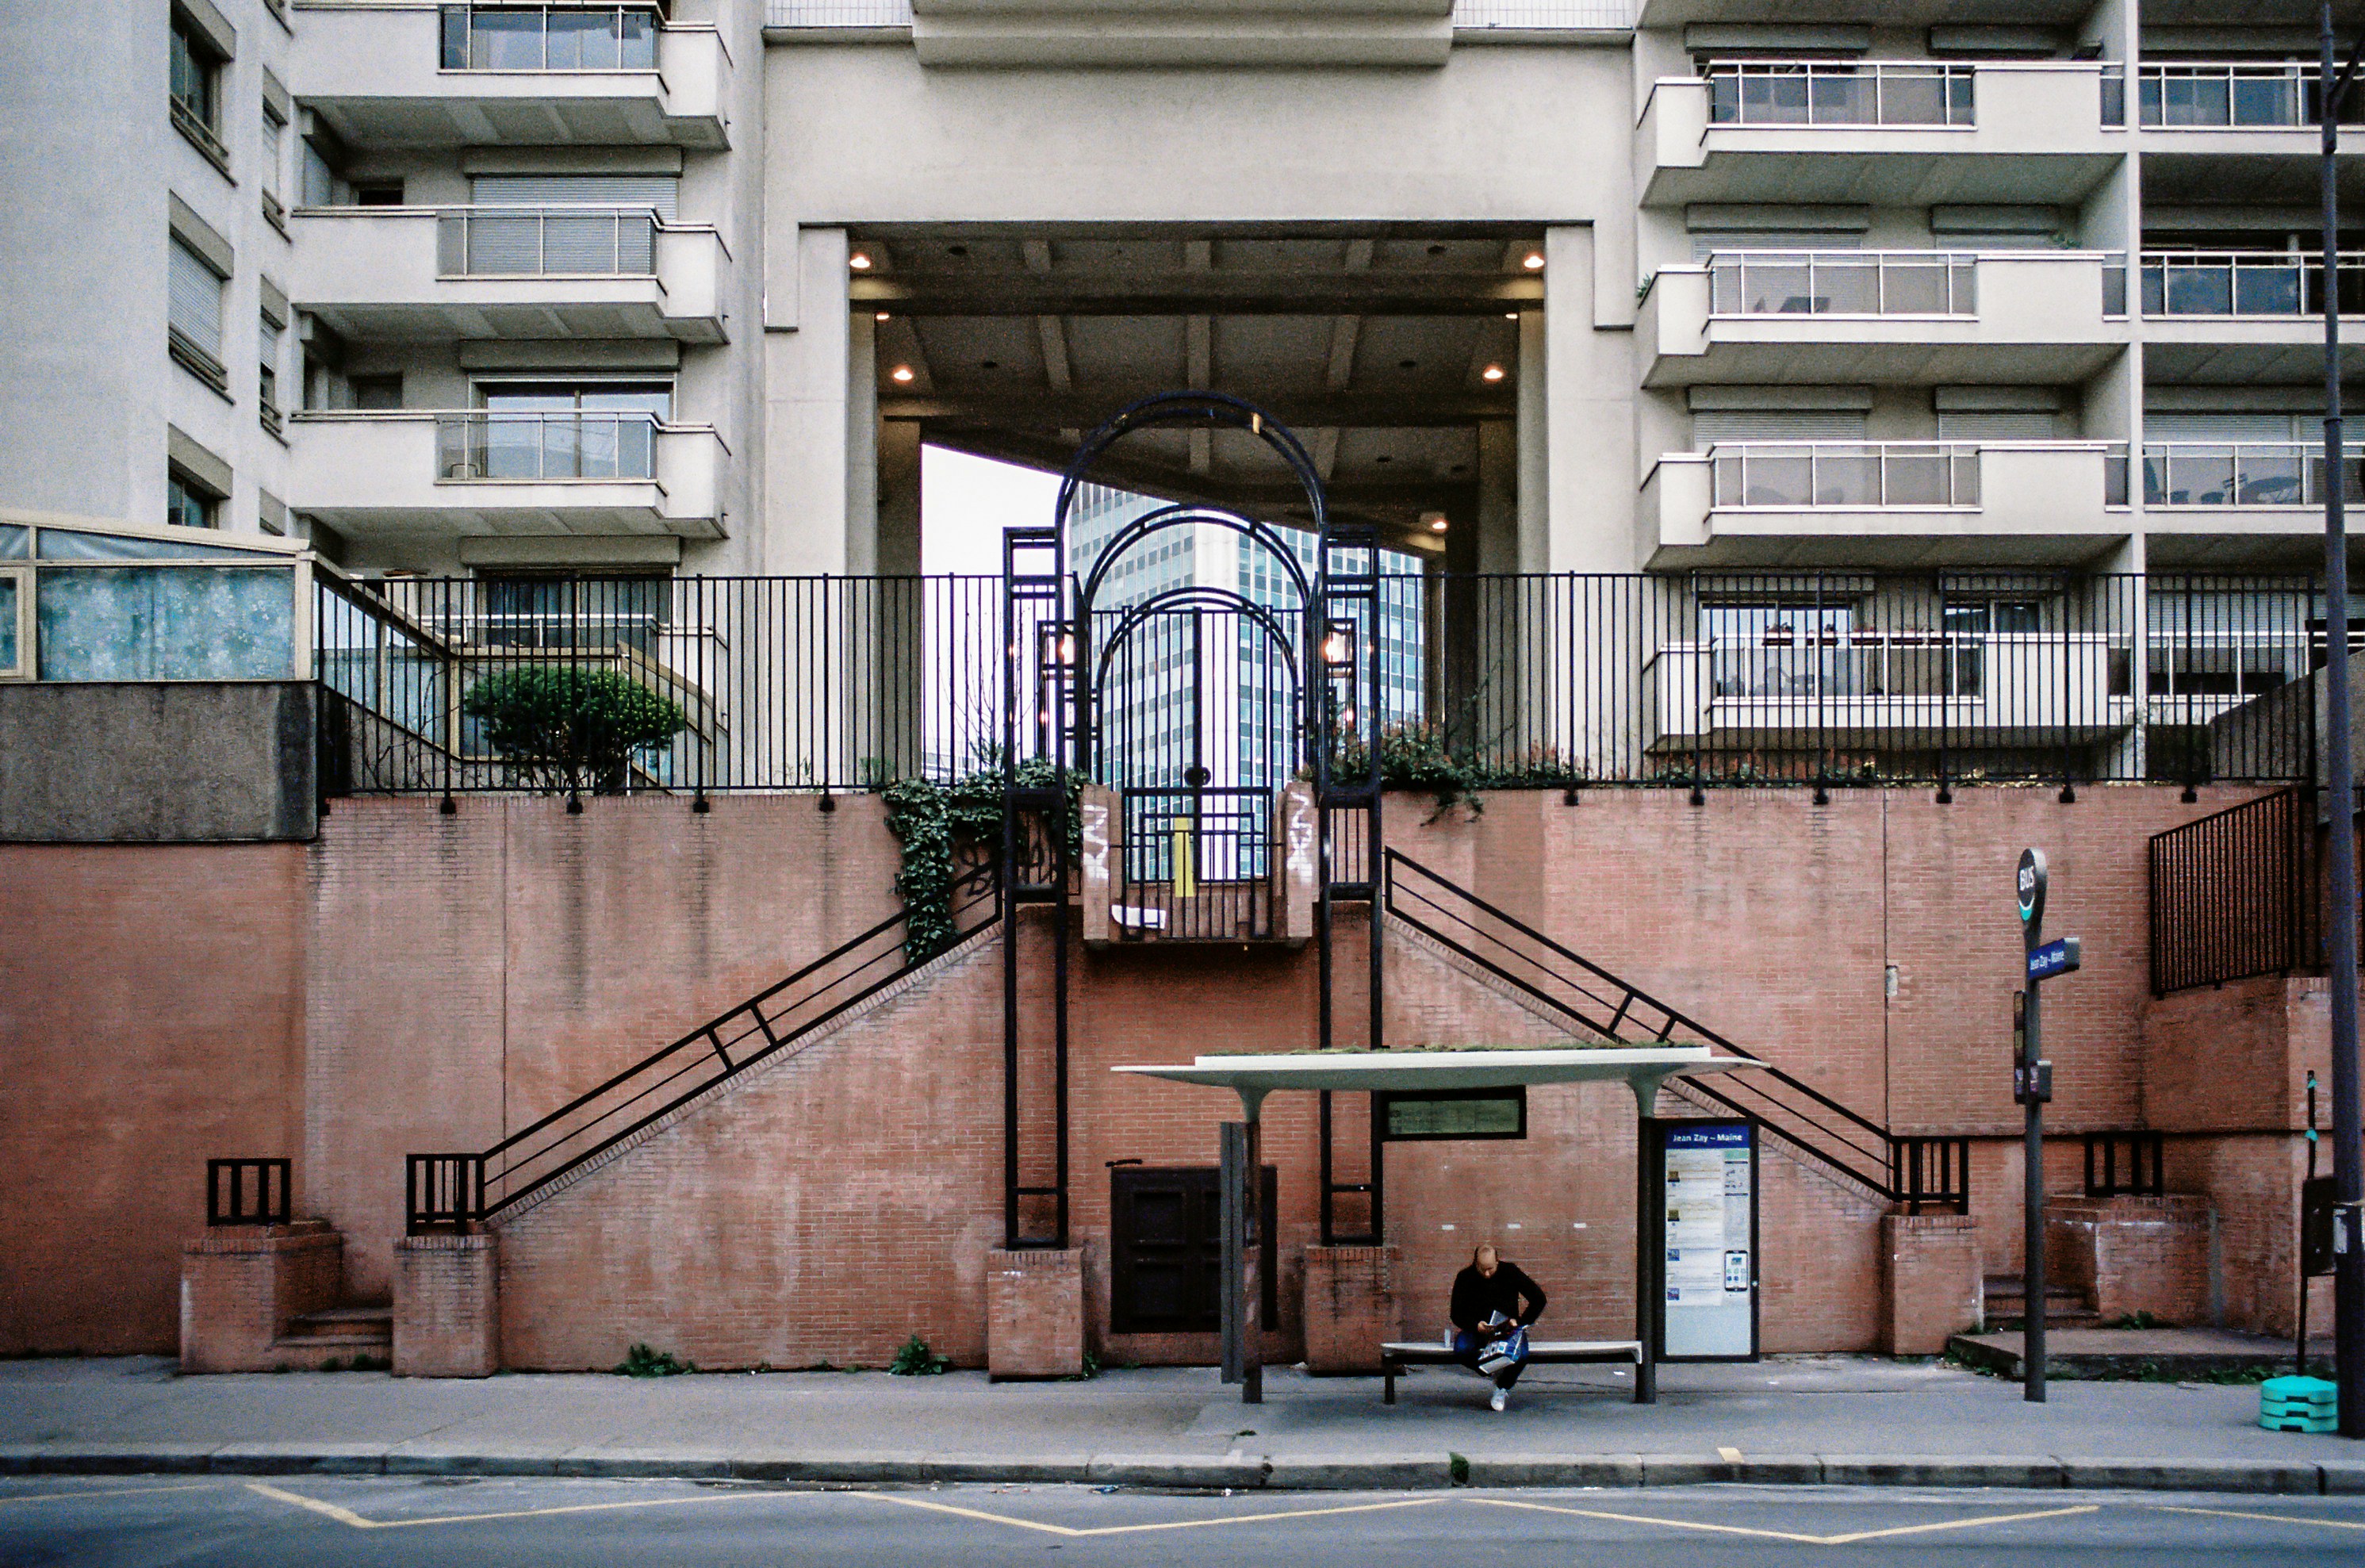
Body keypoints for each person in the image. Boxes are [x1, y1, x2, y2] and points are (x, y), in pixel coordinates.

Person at [1449, 1243, 1547, 1412]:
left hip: (1507, 1328)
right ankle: (1491, 1370)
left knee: (1521, 1356)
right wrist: (1475, 1325)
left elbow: (1538, 1298)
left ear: (1498, 1262)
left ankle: (1502, 1388)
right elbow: (1456, 1313)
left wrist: (1522, 1322)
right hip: (1478, 1329)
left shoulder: (1510, 1272)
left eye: (1491, 1269)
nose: (1487, 1274)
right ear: (1475, 1263)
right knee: (1462, 1350)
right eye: (1482, 1269)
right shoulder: (1465, 1277)